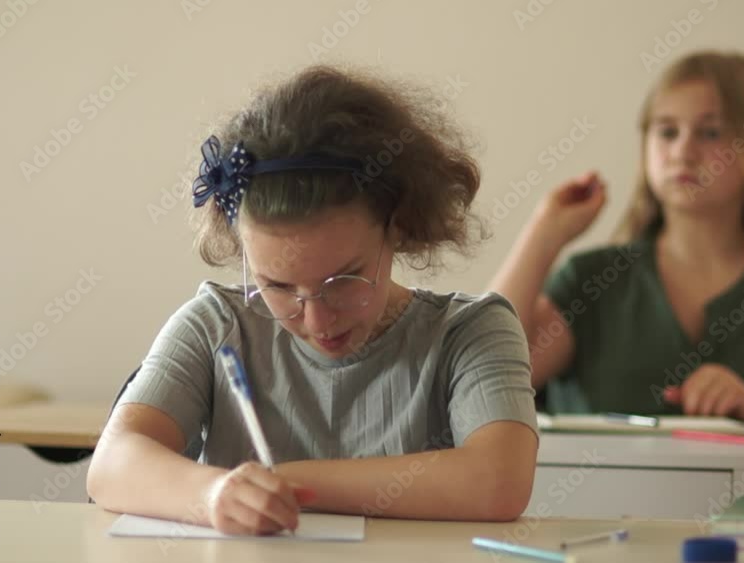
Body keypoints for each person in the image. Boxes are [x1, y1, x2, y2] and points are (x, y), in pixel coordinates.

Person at [87, 66, 538, 535]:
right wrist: (213, 495)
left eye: (344, 278)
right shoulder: (218, 326)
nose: (317, 318)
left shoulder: (471, 331)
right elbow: (112, 465)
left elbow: (498, 481)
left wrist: (283, 483)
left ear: (399, 225)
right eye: (278, 286)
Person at [490, 51, 744, 427]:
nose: (683, 150)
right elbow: (483, 377)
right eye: (666, 131)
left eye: (711, 132)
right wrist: (543, 236)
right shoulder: (592, 279)